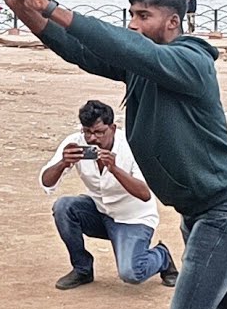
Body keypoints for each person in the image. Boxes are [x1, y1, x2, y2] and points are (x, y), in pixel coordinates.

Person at [7, 0, 227, 309]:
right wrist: (24, 9)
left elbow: (124, 45)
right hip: (202, 212)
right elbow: (80, 49)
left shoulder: (191, 61)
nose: (133, 24)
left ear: (173, 22)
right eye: (130, 14)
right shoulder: (141, 65)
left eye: (143, 16)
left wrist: (50, 7)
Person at [41, 99, 179, 291]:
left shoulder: (132, 145)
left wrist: (114, 169)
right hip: (100, 211)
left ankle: (162, 256)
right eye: (87, 132)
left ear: (112, 128)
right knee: (63, 207)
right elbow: (46, 182)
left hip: (132, 218)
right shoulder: (76, 143)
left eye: (99, 132)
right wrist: (63, 163)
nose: (93, 139)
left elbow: (144, 194)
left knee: (131, 273)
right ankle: (82, 269)